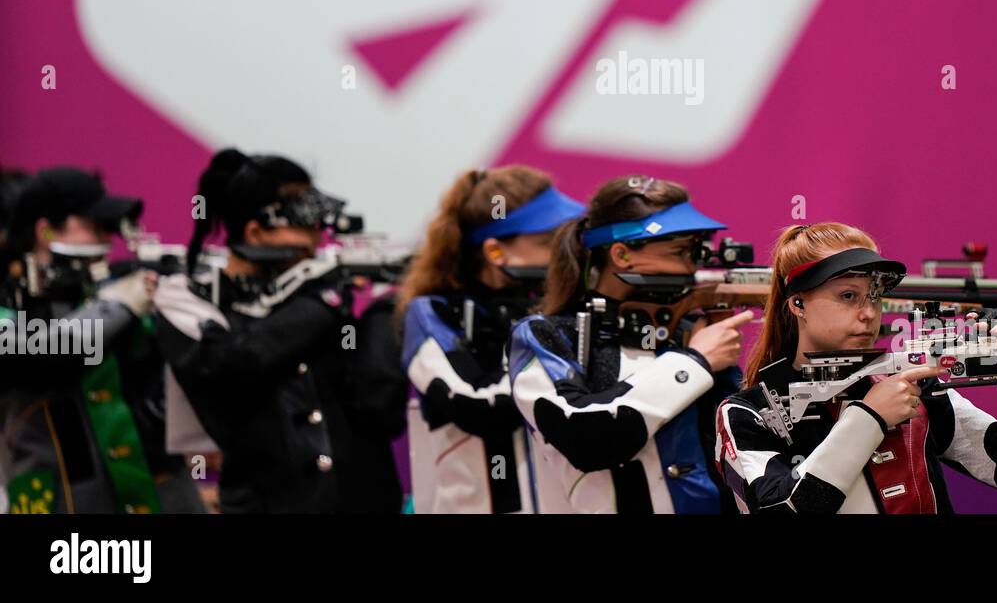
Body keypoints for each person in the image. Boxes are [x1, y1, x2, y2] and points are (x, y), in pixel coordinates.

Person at [715, 221, 997, 513]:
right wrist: (869, 417)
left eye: (874, 295)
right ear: (797, 303)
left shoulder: (916, 388)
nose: (869, 313)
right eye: (848, 296)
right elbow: (783, 509)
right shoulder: (748, 413)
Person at [154, 148, 407, 513]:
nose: (318, 240)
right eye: (304, 226)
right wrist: (324, 303)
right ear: (256, 232)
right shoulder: (189, 297)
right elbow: (229, 367)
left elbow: (378, 412)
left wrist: (385, 311)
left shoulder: (331, 291)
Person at [509, 175, 752, 513]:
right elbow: (586, 440)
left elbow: (736, 444)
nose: (691, 266)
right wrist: (695, 362)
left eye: (696, 251)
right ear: (622, 255)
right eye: (680, 251)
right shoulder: (546, 335)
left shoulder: (684, 330)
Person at [0, 166, 204, 513]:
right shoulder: (10, 303)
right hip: (60, 504)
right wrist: (119, 305)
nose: (108, 242)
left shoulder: (110, 295)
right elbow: (52, 350)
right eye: (95, 228)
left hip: (157, 494)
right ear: (45, 231)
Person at [398, 165, 585, 513]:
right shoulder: (433, 312)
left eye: (567, 241)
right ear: (495, 251)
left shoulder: (564, 310)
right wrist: (537, 342)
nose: (565, 256)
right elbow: (476, 405)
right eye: (548, 243)